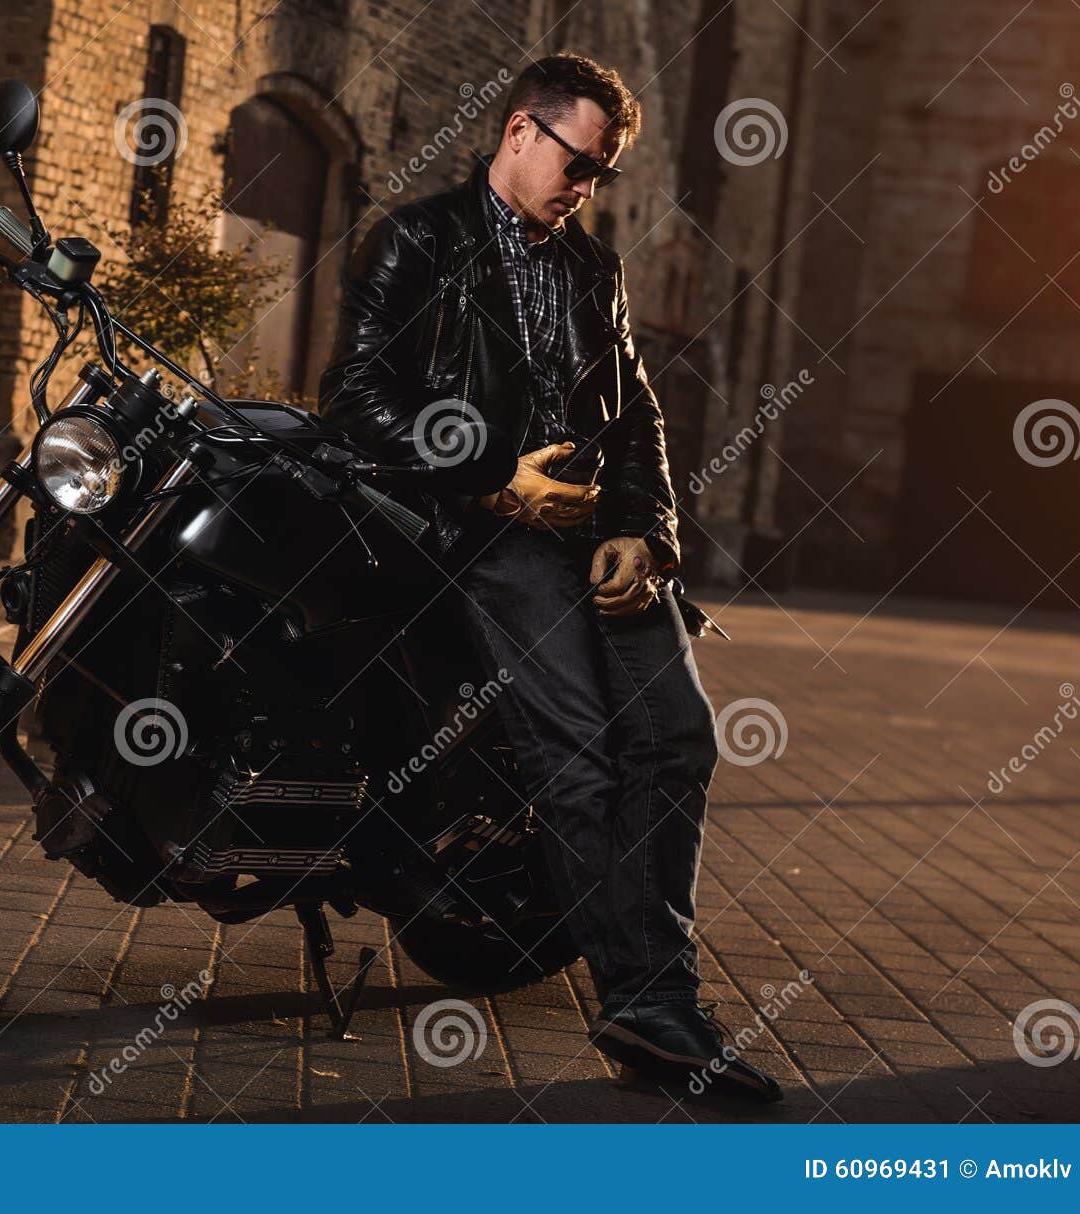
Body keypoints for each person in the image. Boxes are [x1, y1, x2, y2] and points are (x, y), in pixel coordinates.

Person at [318, 52, 781, 1102]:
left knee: (677, 737)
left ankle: (652, 998)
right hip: (488, 533)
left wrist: (642, 529)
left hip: (593, 537)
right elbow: (349, 396)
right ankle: (651, 1005)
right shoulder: (415, 240)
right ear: (520, 132)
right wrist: (492, 477)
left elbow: (637, 417)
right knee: (578, 760)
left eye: (602, 173)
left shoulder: (591, 270)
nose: (587, 187)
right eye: (579, 162)